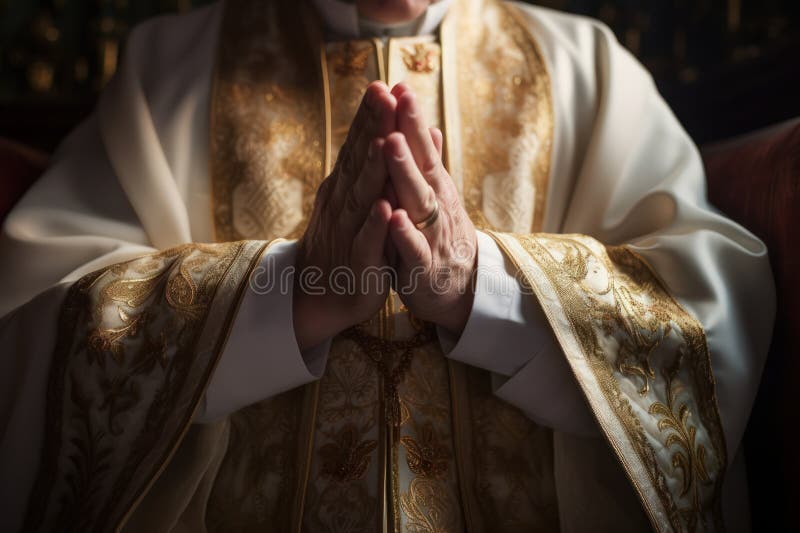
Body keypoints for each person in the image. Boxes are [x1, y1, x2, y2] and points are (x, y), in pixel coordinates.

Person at [0, 0, 774, 530]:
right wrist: (292, 293)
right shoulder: (165, 73)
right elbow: (39, 326)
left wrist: (486, 289)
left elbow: (701, 325)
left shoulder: (588, 71)